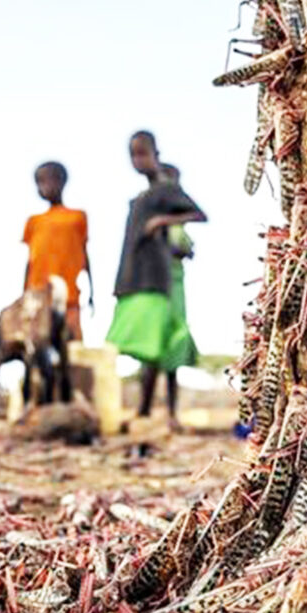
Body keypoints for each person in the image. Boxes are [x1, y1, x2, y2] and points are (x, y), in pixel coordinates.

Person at [106, 132, 206, 432]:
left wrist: (161, 222)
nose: (137, 161)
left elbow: (199, 216)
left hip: (158, 281)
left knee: (155, 348)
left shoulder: (165, 190)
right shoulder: (142, 197)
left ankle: (146, 413)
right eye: (133, 155)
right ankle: (145, 412)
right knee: (144, 347)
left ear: (155, 153)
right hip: (135, 278)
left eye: (142, 154)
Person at [23, 161, 92, 340]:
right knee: (36, 345)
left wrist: (92, 292)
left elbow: (85, 255)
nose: (41, 188)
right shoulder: (34, 221)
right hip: (38, 294)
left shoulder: (77, 217)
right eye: (38, 183)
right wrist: (24, 294)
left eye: (45, 181)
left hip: (69, 295)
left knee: (71, 344)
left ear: (61, 181)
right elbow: (30, 260)